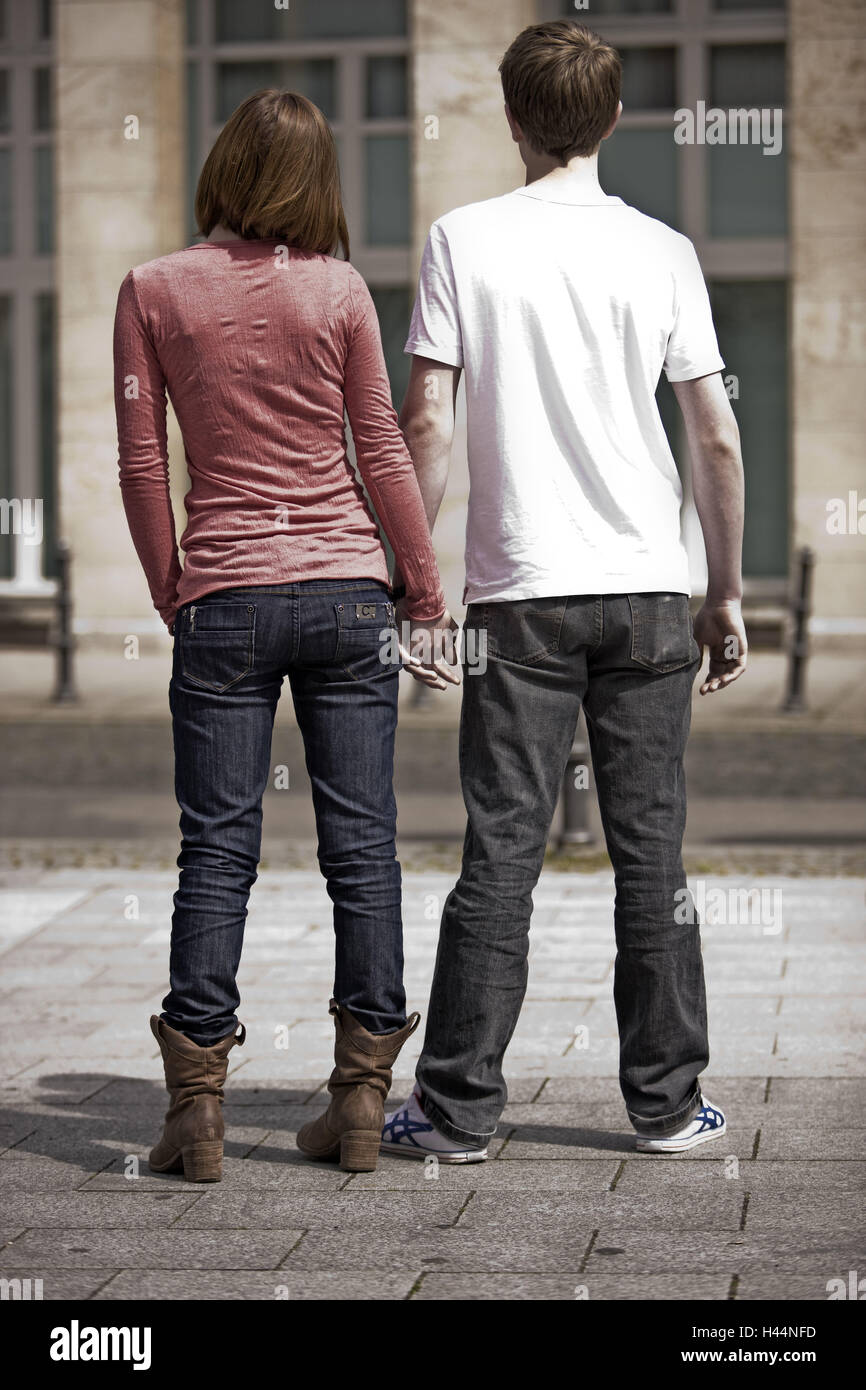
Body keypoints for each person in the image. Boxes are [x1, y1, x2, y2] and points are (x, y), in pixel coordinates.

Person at [381, 20, 747, 1163]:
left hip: (516, 595)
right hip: (645, 588)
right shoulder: (663, 249)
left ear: (509, 116)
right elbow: (715, 439)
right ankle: (666, 1104)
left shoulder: (461, 240)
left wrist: (416, 586)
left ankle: (456, 1112)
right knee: (654, 851)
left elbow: (426, 421)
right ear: (613, 118)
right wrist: (721, 590)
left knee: (500, 846)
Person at [112, 90, 458, 1181]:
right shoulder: (341, 290)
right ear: (317, 186)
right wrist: (426, 594)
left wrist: (173, 587)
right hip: (349, 592)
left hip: (224, 597)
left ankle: (197, 1112)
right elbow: (385, 449)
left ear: (221, 168)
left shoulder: (152, 290)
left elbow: (139, 461)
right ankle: (359, 1103)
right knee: (362, 844)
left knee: (216, 846)